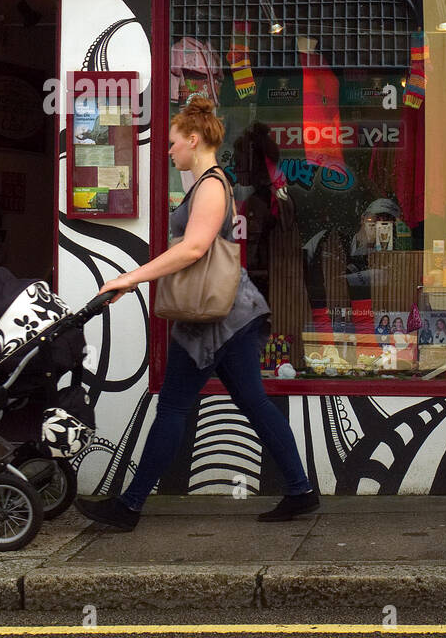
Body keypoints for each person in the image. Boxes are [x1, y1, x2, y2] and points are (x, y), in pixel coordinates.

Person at [76, 96, 318, 530]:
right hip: (228, 316)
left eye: (173, 143)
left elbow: (193, 248)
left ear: (192, 140)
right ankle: (301, 491)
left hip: (212, 319)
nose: (169, 151)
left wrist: (130, 279)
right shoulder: (207, 183)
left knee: (173, 406)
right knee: (252, 402)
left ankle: (129, 507)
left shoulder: (210, 184)